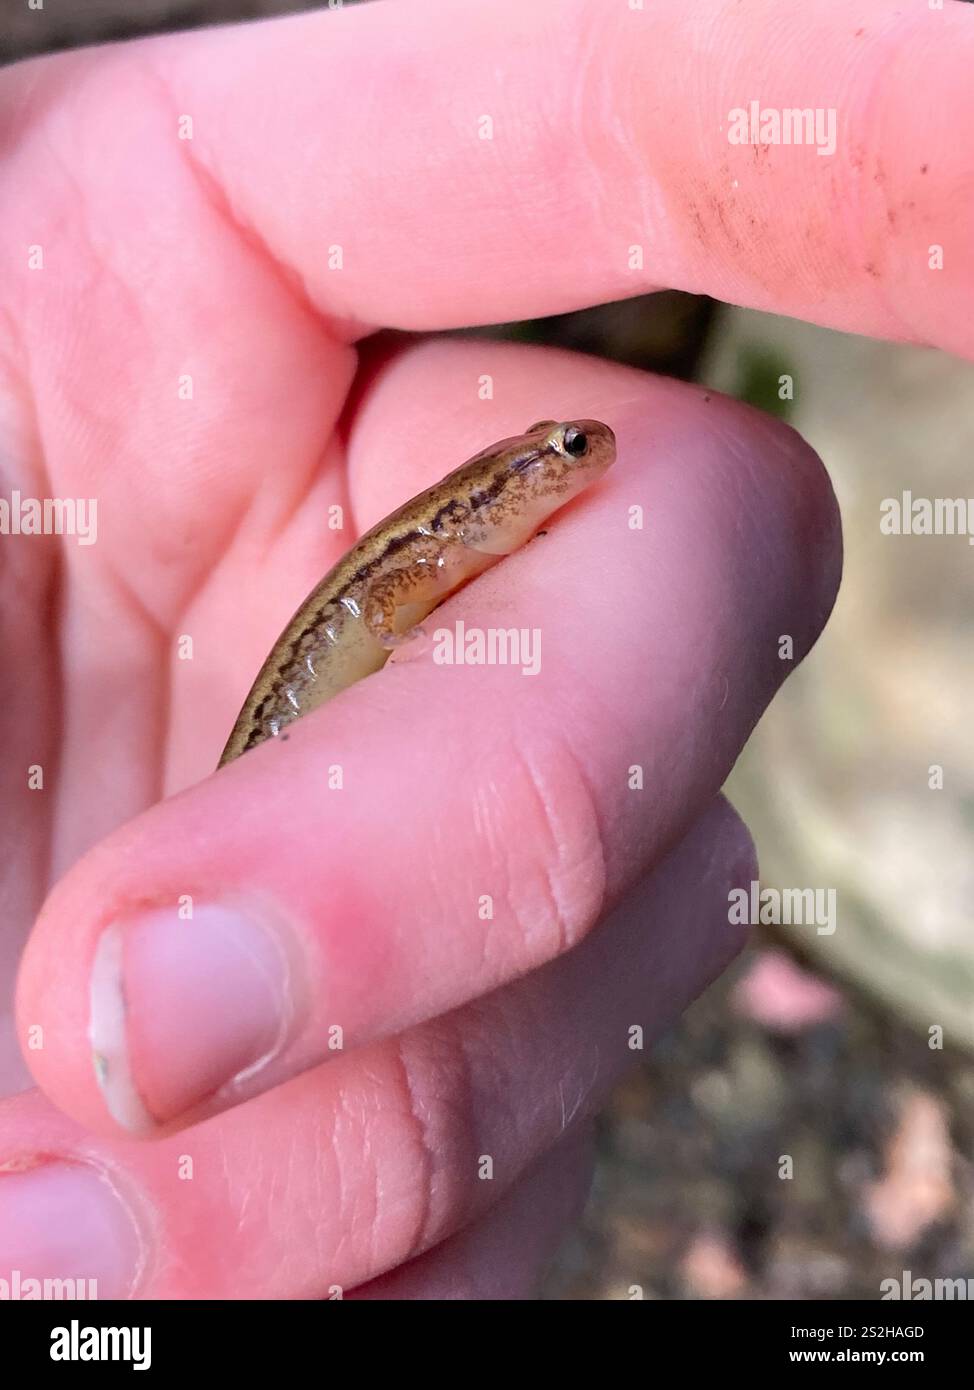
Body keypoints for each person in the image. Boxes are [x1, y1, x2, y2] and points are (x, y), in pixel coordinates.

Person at [0, 0, 967, 1298]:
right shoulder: (442, 529)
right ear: (502, 484)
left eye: (571, 449)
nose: (585, 460)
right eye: (562, 453)